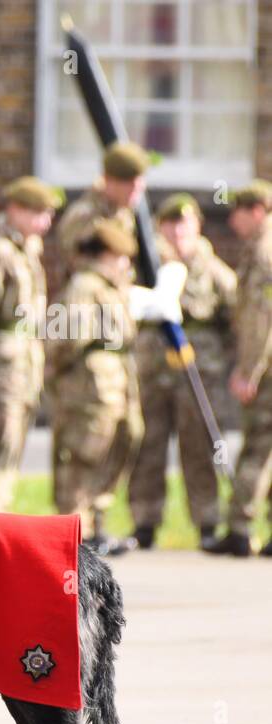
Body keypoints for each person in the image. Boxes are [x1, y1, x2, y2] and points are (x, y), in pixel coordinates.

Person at [128, 194, 236, 550]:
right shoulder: (146, 264)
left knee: (198, 447)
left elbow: (235, 318)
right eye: (170, 224)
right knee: (148, 444)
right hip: (152, 369)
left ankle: (206, 521)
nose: (177, 232)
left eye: (184, 224)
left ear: (197, 226)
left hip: (198, 371)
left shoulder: (213, 269)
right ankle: (144, 520)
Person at [46, 218, 142, 554]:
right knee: (82, 454)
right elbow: (65, 339)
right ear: (105, 255)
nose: (125, 264)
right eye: (120, 257)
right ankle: (76, 529)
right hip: (89, 388)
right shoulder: (85, 286)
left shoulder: (110, 287)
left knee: (114, 448)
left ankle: (96, 524)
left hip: (116, 384)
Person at [0, 176, 61, 512]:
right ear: (15, 210)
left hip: (25, 359)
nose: (47, 220)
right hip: (4, 359)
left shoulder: (28, 249)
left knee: (16, 437)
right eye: (39, 212)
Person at [206, 180, 272, 556]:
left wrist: (248, 370)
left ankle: (240, 529)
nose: (232, 220)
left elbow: (262, 320)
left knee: (258, 447)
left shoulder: (264, 252)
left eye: (238, 212)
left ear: (257, 211)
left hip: (267, 369)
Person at [53, 140, 148, 290]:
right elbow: (75, 265)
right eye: (127, 182)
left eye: (139, 180)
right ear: (107, 180)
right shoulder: (84, 216)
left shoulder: (122, 213)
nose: (136, 187)